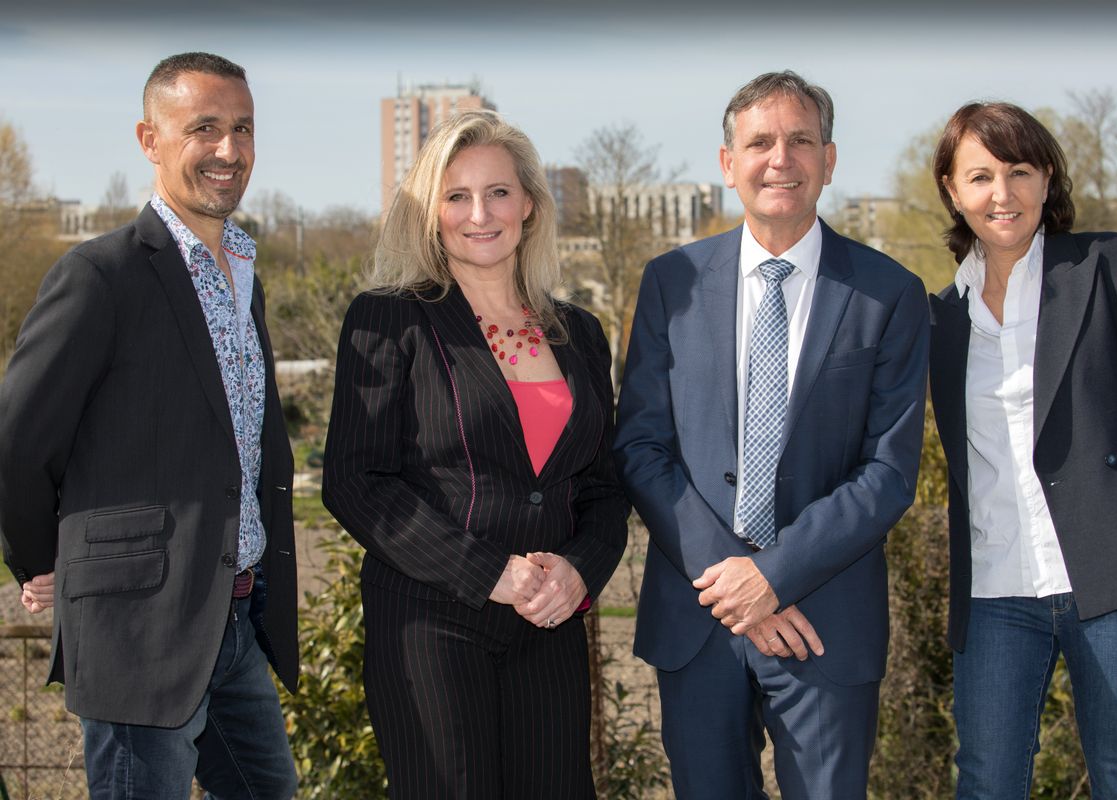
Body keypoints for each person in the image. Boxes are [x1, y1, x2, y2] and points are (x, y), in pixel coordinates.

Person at [613, 70, 929, 798]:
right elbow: (642, 447)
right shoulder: (671, 282)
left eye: (800, 141)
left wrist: (774, 576)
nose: (780, 159)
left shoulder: (890, 294)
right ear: (728, 164)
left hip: (825, 623)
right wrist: (736, 580)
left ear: (829, 159)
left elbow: (888, 472)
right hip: (699, 616)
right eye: (759, 143)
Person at [0, 52, 298, 798]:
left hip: (237, 620)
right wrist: (45, 562)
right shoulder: (101, 276)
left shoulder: (244, 275)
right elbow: (15, 445)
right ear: (150, 139)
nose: (229, 149)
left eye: (243, 128)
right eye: (204, 128)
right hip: (139, 627)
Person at [322, 109, 628, 799]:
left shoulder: (579, 331)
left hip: (549, 621)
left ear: (529, 204)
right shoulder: (389, 318)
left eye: (497, 192)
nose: (479, 214)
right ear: (430, 213)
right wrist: (491, 573)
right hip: (431, 623)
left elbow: (605, 487)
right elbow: (355, 481)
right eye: (456, 196)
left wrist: (580, 570)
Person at [927, 100, 1117, 799]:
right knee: (986, 782)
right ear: (953, 191)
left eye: (1020, 171)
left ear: (1047, 179)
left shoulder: (1111, 266)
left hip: (1113, 578)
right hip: (993, 589)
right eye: (980, 176)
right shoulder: (940, 317)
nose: (1002, 193)